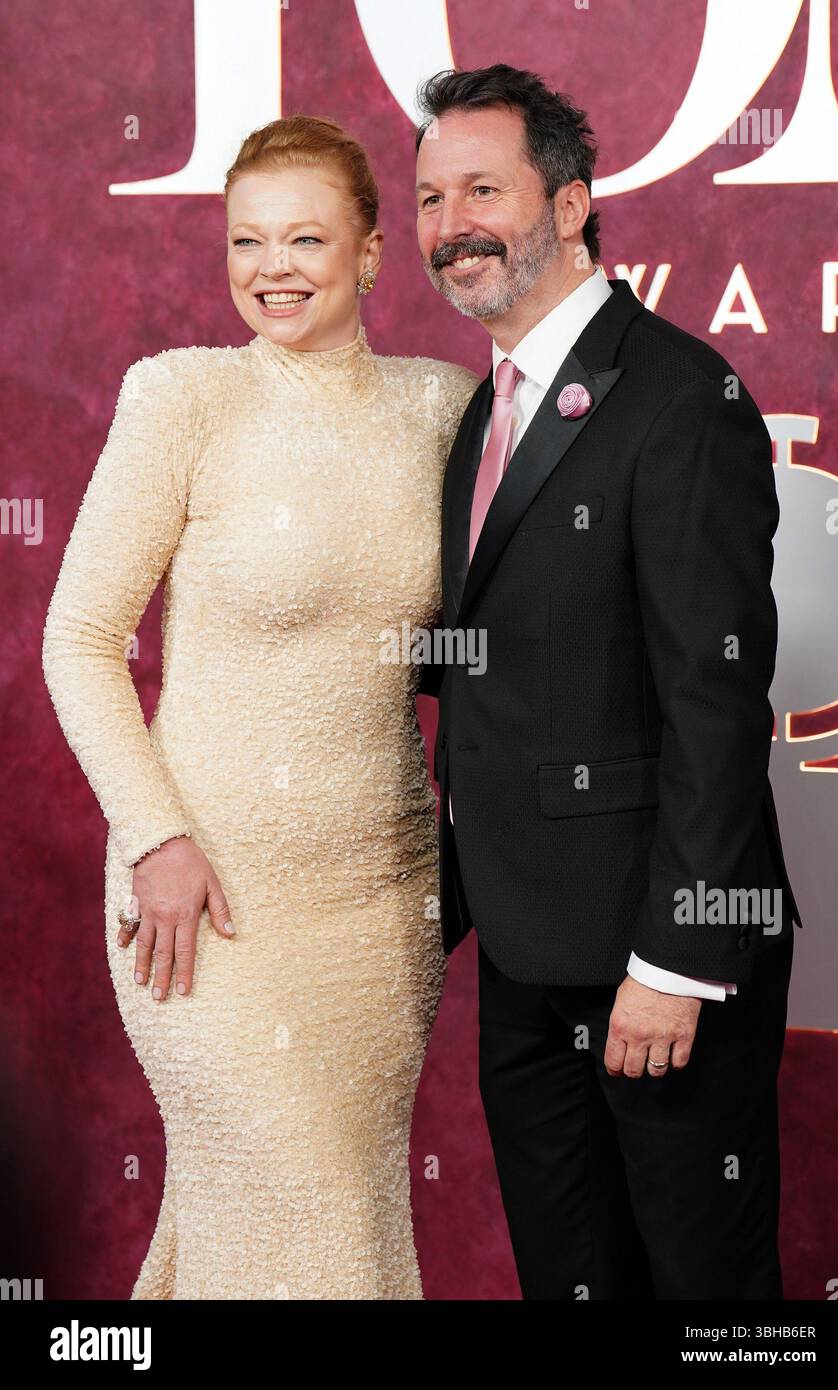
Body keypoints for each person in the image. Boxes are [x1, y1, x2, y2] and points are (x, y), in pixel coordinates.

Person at [41, 114, 479, 1300]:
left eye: (304, 239)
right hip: (203, 902)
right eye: (245, 242)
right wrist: (157, 837)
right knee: (303, 1211)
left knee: (319, 1217)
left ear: (375, 252)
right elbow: (78, 641)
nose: (271, 268)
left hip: (380, 909)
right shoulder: (181, 398)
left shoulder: (445, 408)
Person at [415, 64, 803, 1300]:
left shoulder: (682, 400)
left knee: (703, 1291)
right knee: (568, 1278)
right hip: (523, 949)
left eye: (482, 187)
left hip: (656, 957)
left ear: (572, 206)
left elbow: (713, 697)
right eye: (426, 198)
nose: (448, 223)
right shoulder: (484, 412)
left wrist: (676, 962)